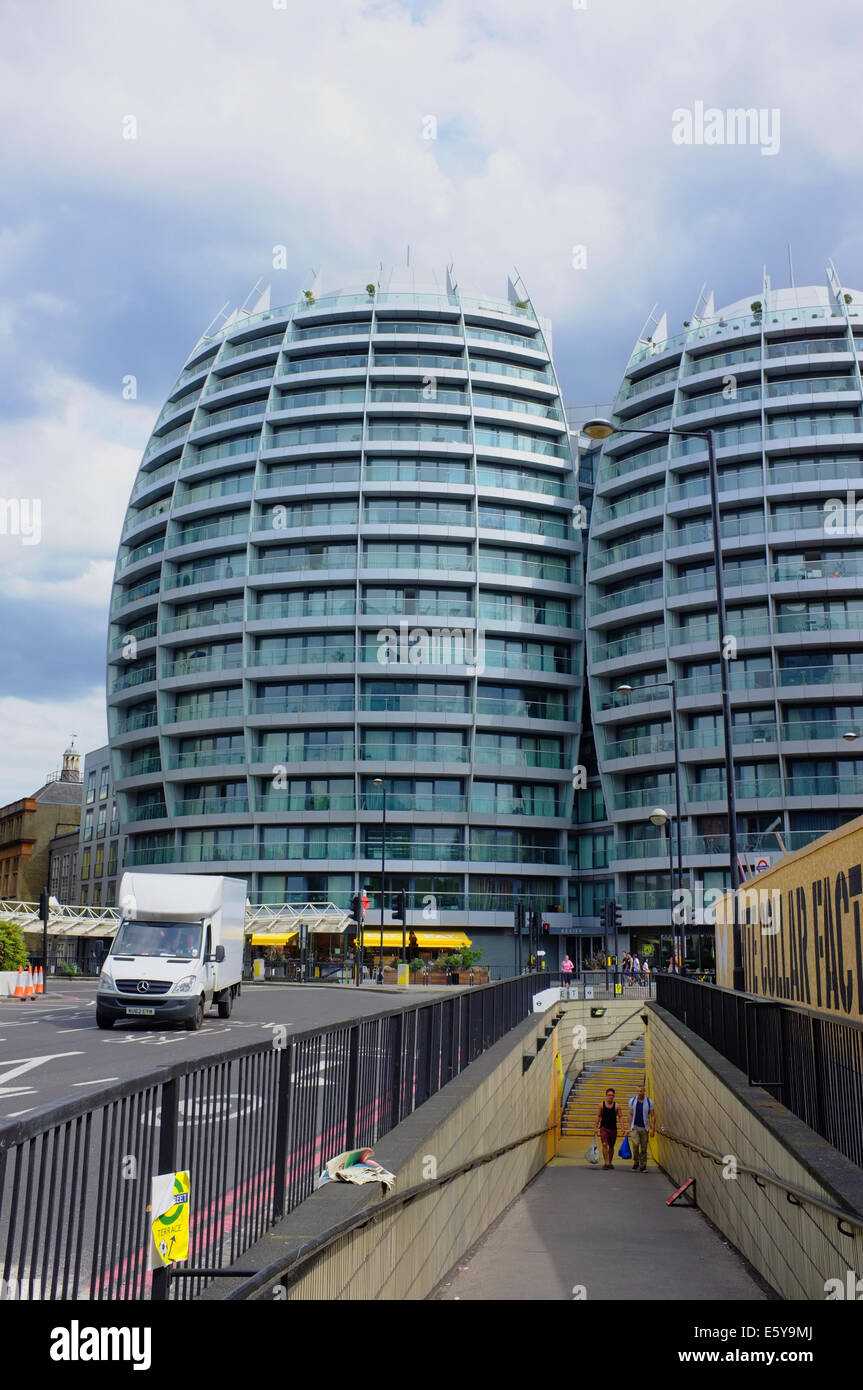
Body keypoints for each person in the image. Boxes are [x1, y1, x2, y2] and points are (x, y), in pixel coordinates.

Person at [627, 1084, 656, 1172]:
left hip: (645, 1128)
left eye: (641, 1091)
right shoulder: (632, 1101)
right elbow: (630, 1114)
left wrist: (652, 1129)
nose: (639, 1093)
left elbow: (653, 1115)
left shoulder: (649, 1101)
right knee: (635, 1145)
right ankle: (636, 1162)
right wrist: (629, 1127)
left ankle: (643, 1166)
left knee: (644, 1148)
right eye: (638, 1091)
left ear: (644, 1091)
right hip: (635, 1127)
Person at [594, 1087, 622, 1170]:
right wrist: (595, 1127)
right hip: (604, 1128)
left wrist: (623, 1127)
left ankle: (610, 1162)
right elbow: (598, 1116)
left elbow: (620, 1117)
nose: (611, 1097)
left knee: (612, 1146)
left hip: (613, 1129)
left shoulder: (617, 1106)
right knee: (604, 1144)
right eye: (609, 1095)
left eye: (612, 1095)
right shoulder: (601, 1105)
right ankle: (606, 1162)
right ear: (606, 1095)